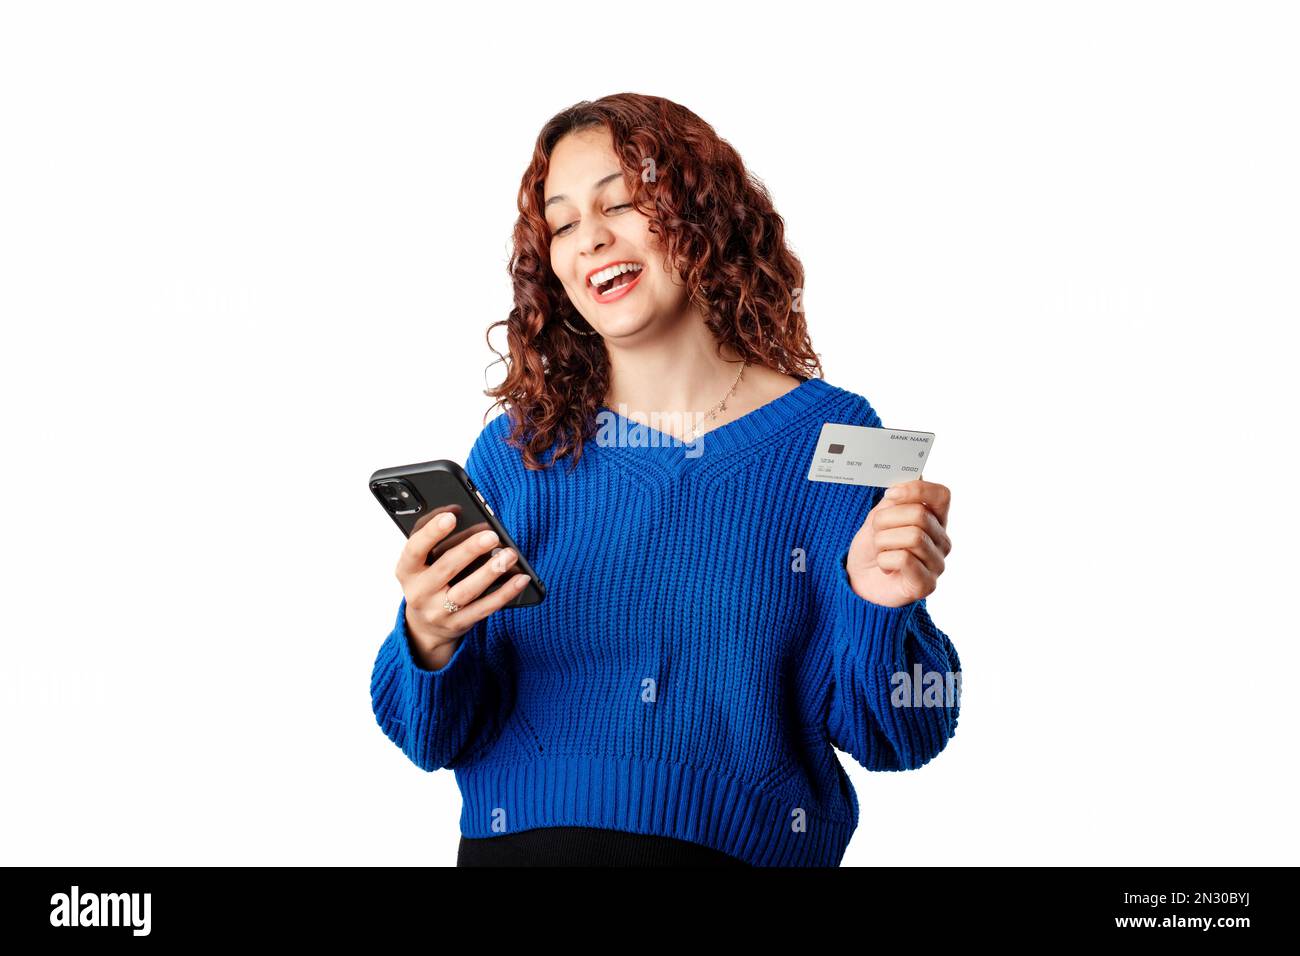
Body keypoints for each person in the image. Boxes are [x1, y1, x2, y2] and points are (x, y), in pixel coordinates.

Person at [370, 93, 959, 867]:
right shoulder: (516, 452)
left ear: (700, 214)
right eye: (564, 223)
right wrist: (430, 636)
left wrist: (884, 613)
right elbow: (429, 737)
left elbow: (904, 734)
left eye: (619, 203)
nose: (592, 239)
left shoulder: (843, 438)